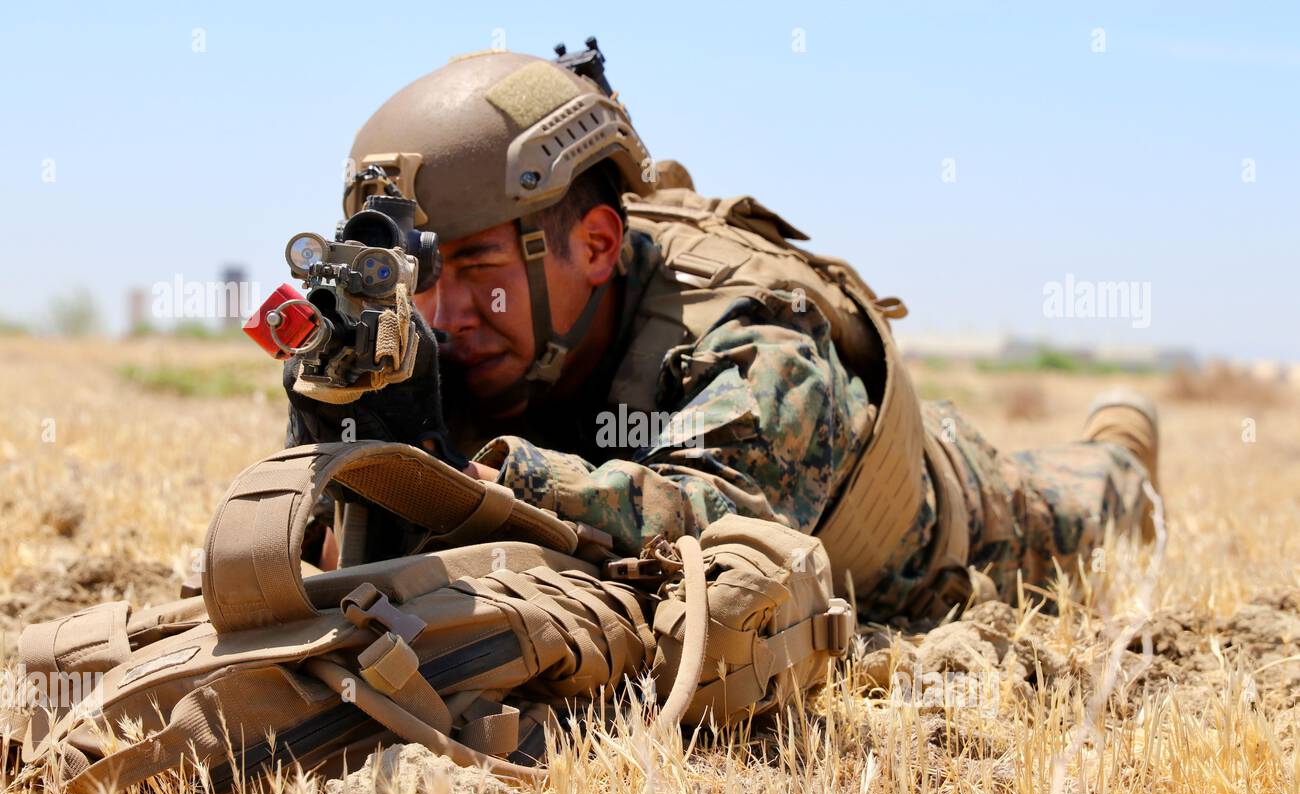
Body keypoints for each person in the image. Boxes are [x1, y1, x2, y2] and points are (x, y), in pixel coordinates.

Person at [286, 47, 1161, 623]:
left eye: (478, 271)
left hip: (947, 520)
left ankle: (1119, 442)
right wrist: (355, 453)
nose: (448, 315)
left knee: (1096, 502)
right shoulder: (441, 337)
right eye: (429, 283)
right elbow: (332, 563)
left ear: (594, 246)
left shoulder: (751, 334)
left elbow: (714, 533)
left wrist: (469, 483)